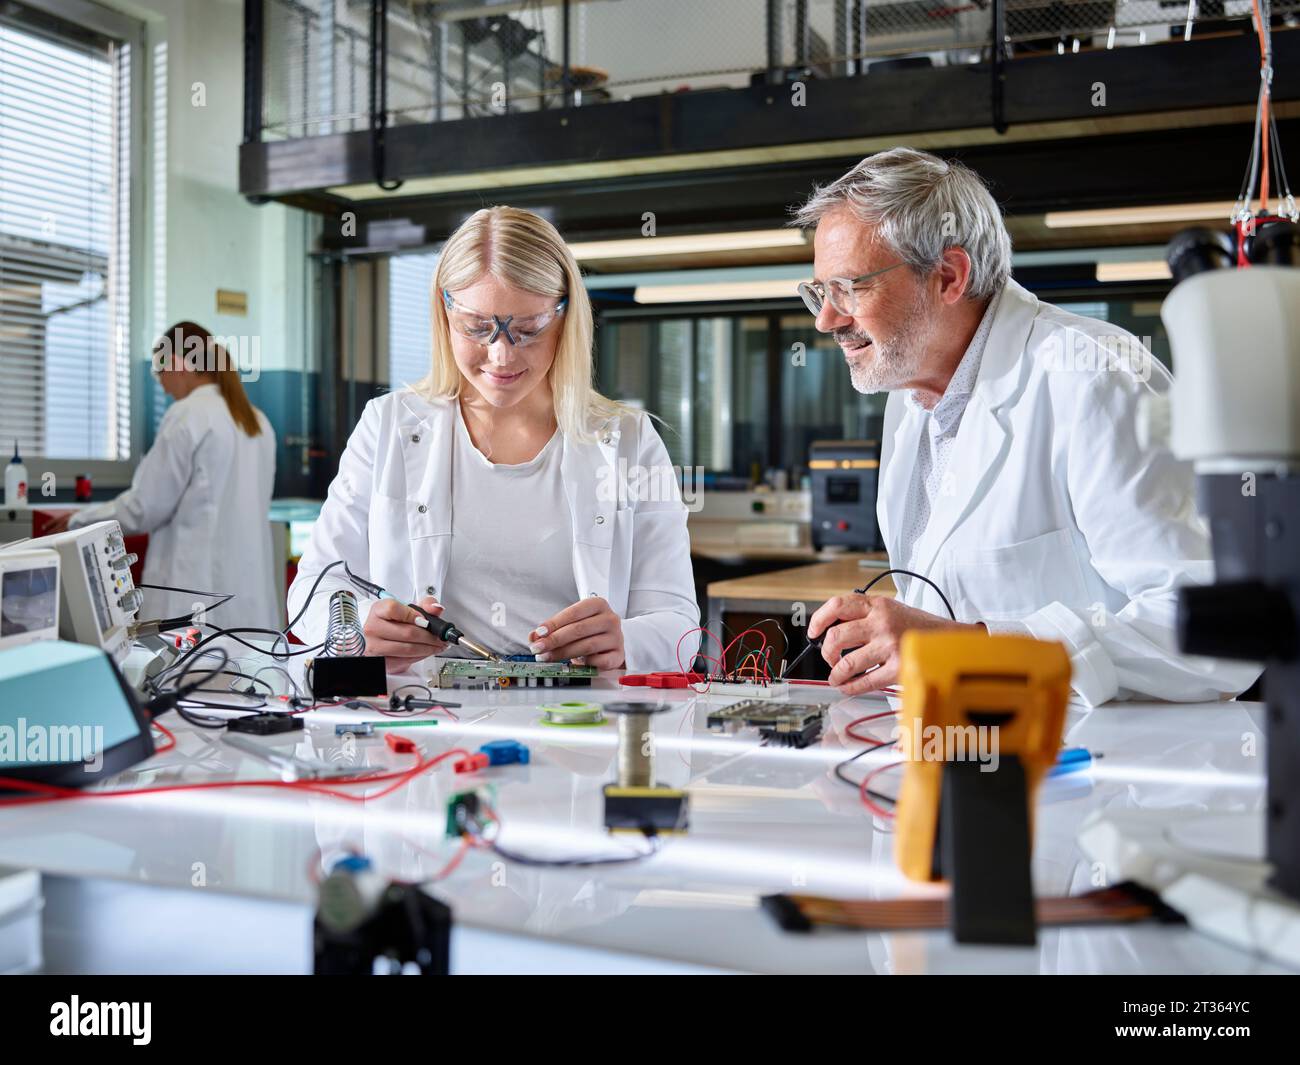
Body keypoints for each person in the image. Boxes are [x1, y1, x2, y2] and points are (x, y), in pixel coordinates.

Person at [793, 148, 1259, 705]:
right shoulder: (910, 401)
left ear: (948, 276)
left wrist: (972, 646)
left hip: (1108, 773)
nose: (826, 319)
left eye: (850, 287)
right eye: (820, 292)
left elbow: (1217, 633)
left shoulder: (1095, 376)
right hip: (963, 758)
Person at [288, 206, 698, 673]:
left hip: (579, 726)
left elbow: (679, 626)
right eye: (477, 328)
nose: (501, 355)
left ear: (565, 318)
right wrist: (359, 625)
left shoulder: (629, 440)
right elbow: (315, 588)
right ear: (445, 313)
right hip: (422, 720)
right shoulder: (387, 426)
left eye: (528, 330)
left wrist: (626, 640)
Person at [45, 322, 279, 630]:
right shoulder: (258, 422)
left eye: (160, 373)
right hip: (250, 602)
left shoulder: (189, 415)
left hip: (194, 597)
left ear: (178, 365)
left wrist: (80, 520)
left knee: (188, 676)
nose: (162, 386)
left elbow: (144, 507)